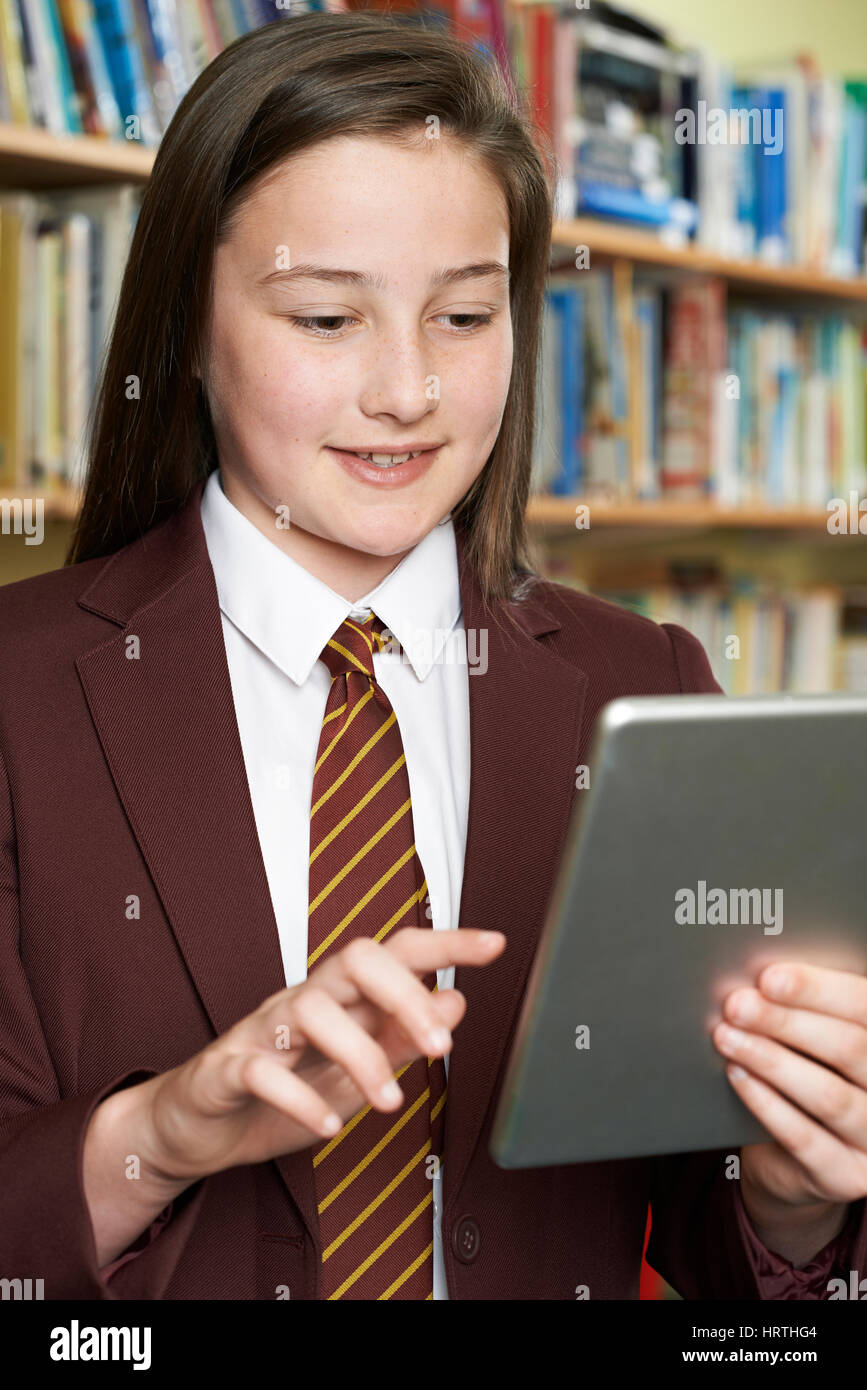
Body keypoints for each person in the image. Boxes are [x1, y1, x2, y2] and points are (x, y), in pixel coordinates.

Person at [1, 13, 865, 1301]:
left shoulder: (646, 689)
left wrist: (794, 1189)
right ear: (189, 324)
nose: (408, 391)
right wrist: (165, 1133)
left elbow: (717, 1244)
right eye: (327, 318)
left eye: (464, 316)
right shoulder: (23, 696)